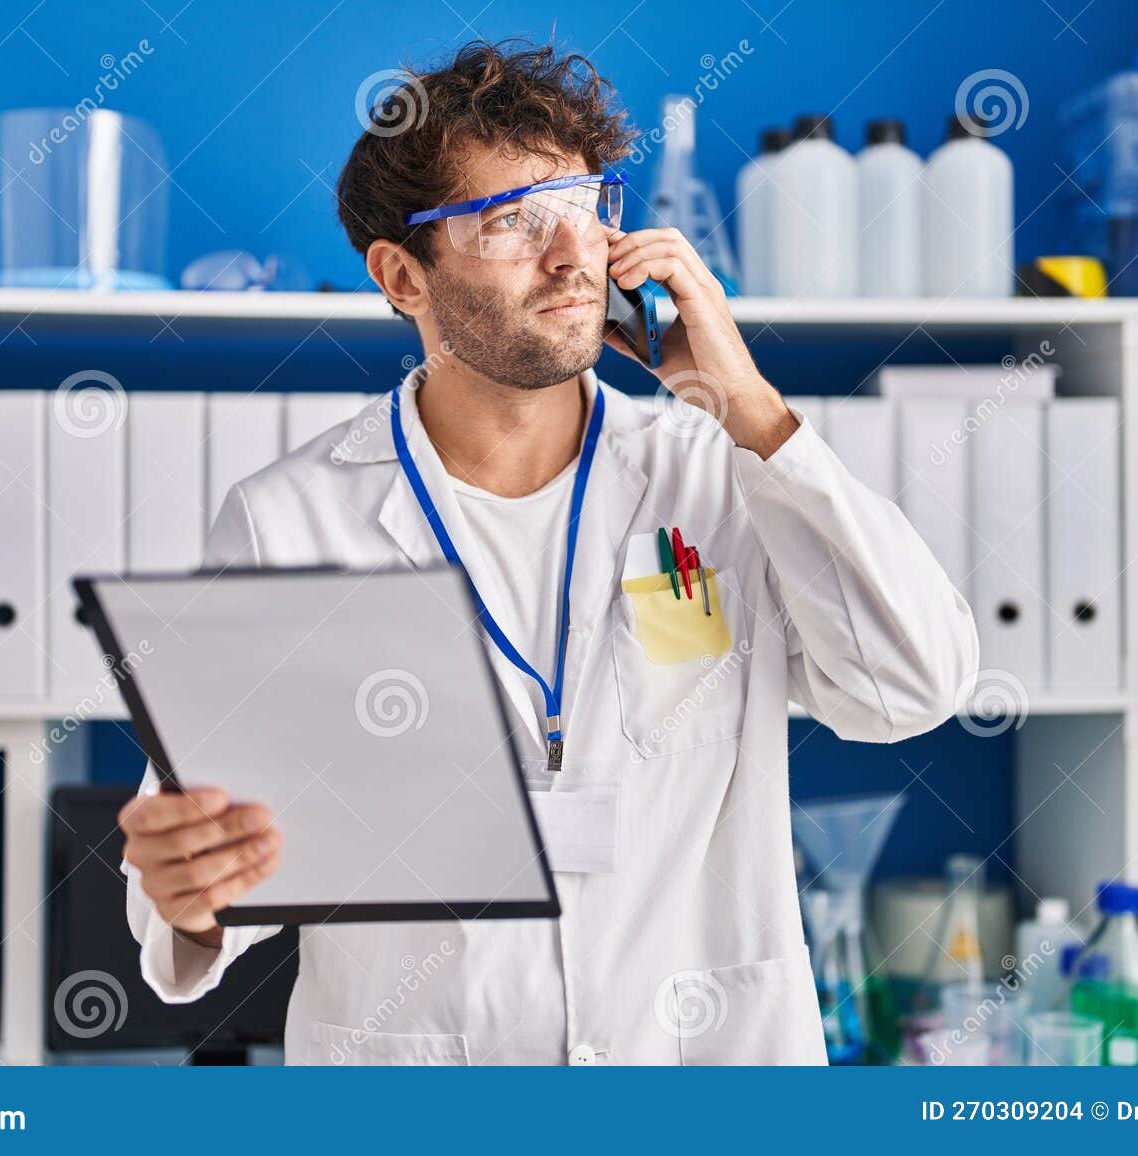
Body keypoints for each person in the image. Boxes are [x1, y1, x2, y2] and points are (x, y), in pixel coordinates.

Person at [120, 38, 978, 1065]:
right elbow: (212, 850)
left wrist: (746, 405)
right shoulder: (291, 518)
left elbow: (912, 685)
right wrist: (189, 897)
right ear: (402, 276)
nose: (575, 253)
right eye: (514, 222)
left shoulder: (715, 471)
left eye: (588, 204)